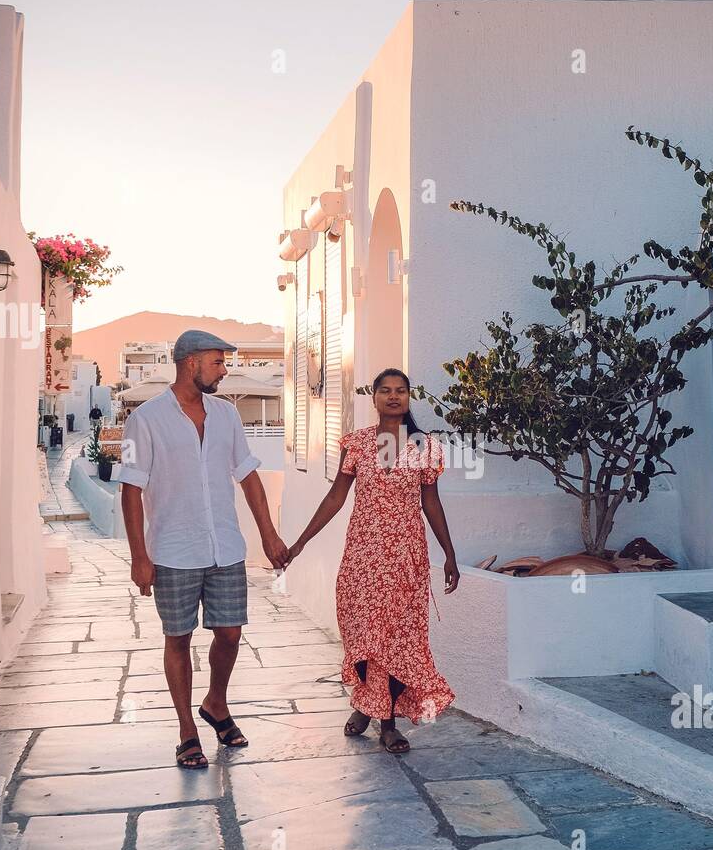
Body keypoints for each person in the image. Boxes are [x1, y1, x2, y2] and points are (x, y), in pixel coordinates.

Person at [119, 329, 290, 769]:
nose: (224, 369)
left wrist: (268, 534)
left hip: (225, 546)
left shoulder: (226, 415)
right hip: (173, 549)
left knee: (230, 633)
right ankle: (186, 731)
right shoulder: (147, 419)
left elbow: (248, 475)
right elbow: (131, 488)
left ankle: (216, 703)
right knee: (178, 637)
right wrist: (140, 556)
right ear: (190, 362)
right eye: (218, 361)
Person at [287, 368, 459, 754]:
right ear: (374, 398)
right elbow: (335, 497)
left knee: (398, 639)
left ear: (409, 397)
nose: (393, 397)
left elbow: (431, 501)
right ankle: (367, 702)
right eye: (385, 390)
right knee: (362, 633)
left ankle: (388, 724)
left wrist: (449, 553)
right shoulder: (358, 443)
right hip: (363, 556)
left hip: (406, 558)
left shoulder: (424, 446)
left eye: (400, 391)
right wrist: (299, 543)